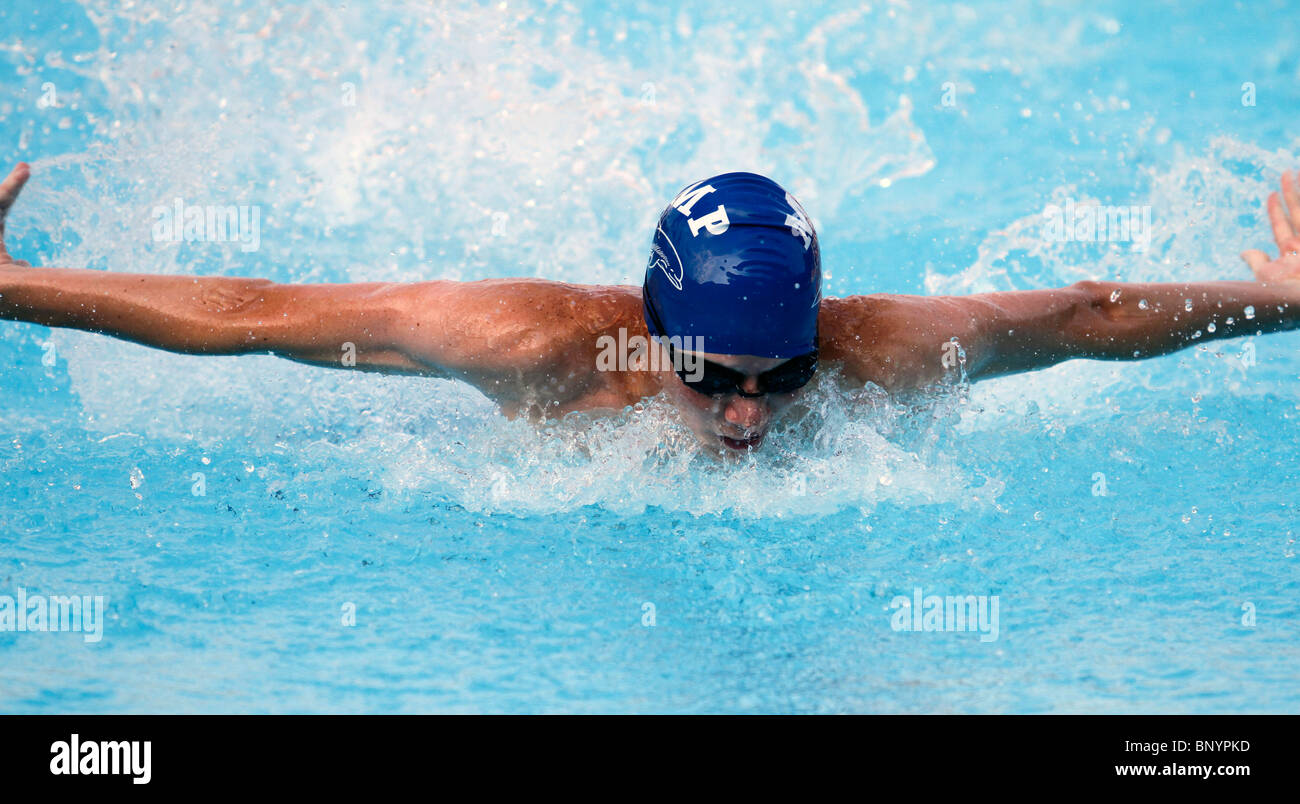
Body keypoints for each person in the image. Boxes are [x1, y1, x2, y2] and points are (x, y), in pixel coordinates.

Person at [2, 164, 1299, 455]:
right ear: (650, 326)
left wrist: (1282, 300)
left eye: (780, 381)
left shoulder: (874, 353)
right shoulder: (533, 347)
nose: (747, 410)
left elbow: (1085, 317)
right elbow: (250, 307)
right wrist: (15, 293)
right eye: (713, 373)